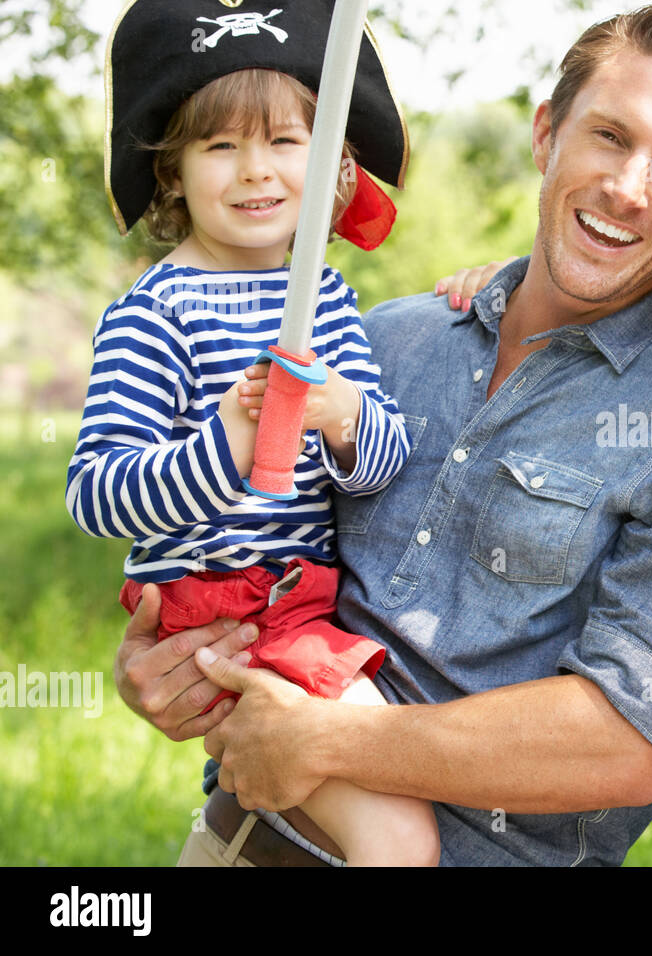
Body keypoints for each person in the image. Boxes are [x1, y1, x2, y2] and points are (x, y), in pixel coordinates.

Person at [113, 4, 652, 866]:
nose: (630, 187)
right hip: (231, 843)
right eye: (609, 136)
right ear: (546, 133)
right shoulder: (388, 340)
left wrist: (326, 742)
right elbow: (245, 548)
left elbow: (623, 743)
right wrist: (176, 666)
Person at [72, 2, 447, 865]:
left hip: (305, 601)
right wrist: (233, 440)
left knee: (378, 819)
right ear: (170, 173)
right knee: (400, 838)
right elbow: (99, 494)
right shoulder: (153, 315)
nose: (257, 173)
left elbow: (381, 460)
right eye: (221, 147)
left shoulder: (322, 297)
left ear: (330, 168)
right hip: (223, 608)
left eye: (286, 144)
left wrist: (342, 417)